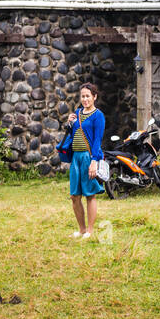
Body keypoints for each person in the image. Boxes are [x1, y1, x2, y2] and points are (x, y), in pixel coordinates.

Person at [66, 82, 105, 239]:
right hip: (76, 157)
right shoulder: (77, 112)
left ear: (94, 97)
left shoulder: (98, 116)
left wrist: (94, 161)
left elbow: (97, 140)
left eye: (88, 96)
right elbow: (72, 134)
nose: (85, 99)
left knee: (90, 194)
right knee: (75, 195)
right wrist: (69, 123)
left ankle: (89, 231)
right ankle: (81, 229)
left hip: (89, 157)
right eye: (83, 96)